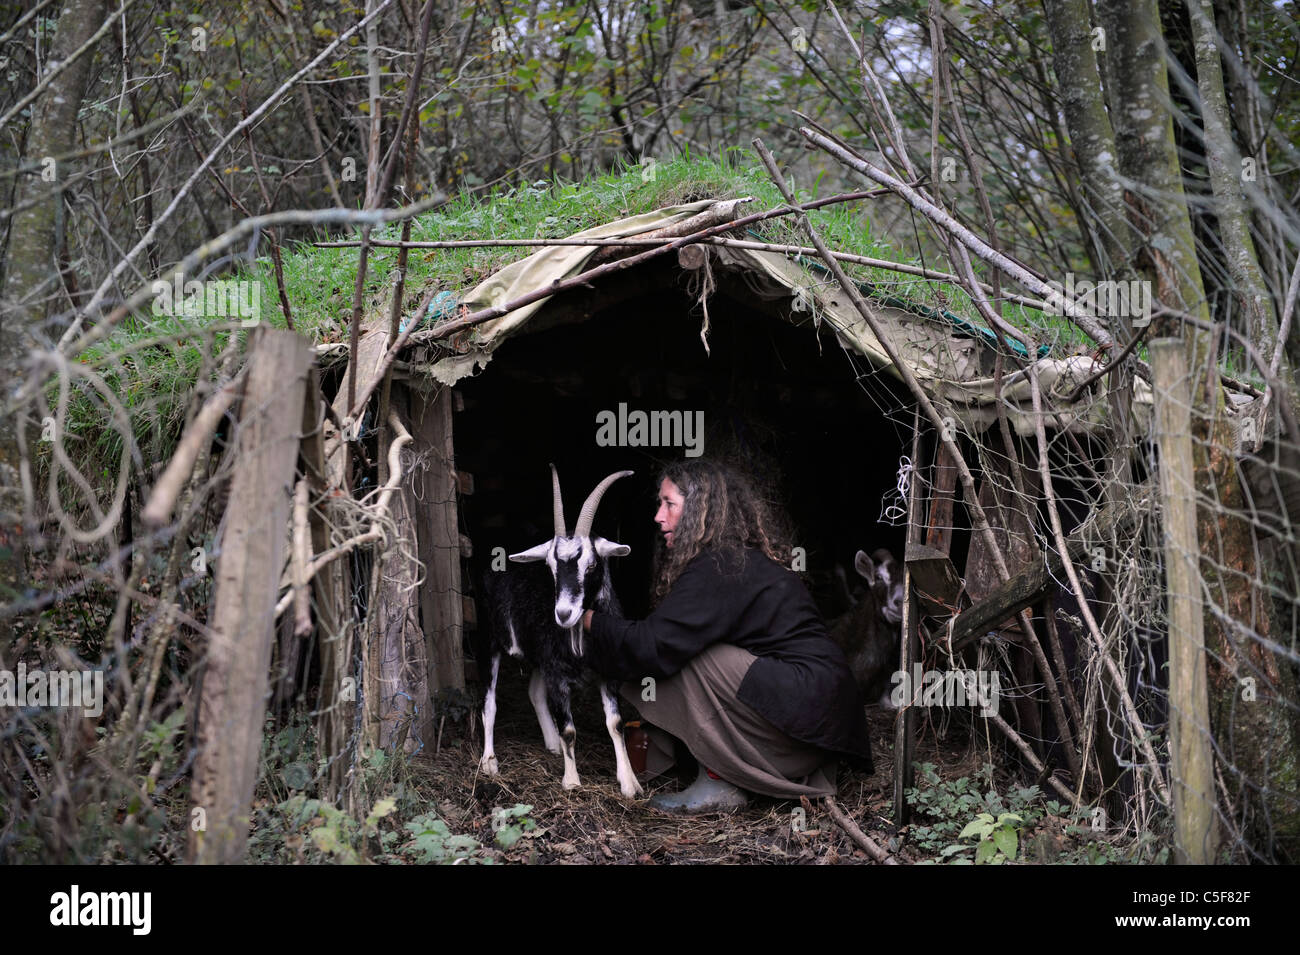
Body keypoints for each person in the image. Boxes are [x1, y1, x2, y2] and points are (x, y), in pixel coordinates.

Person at [581, 458, 873, 812]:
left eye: (669, 504)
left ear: (700, 510)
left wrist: (590, 621)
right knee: (687, 646)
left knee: (691, 654)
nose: (658, 516)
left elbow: (652, 645)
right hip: (813, 728)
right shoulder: (734, 560)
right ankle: (667, 755)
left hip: (800, 724)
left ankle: (718, 785)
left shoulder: (721, 565)